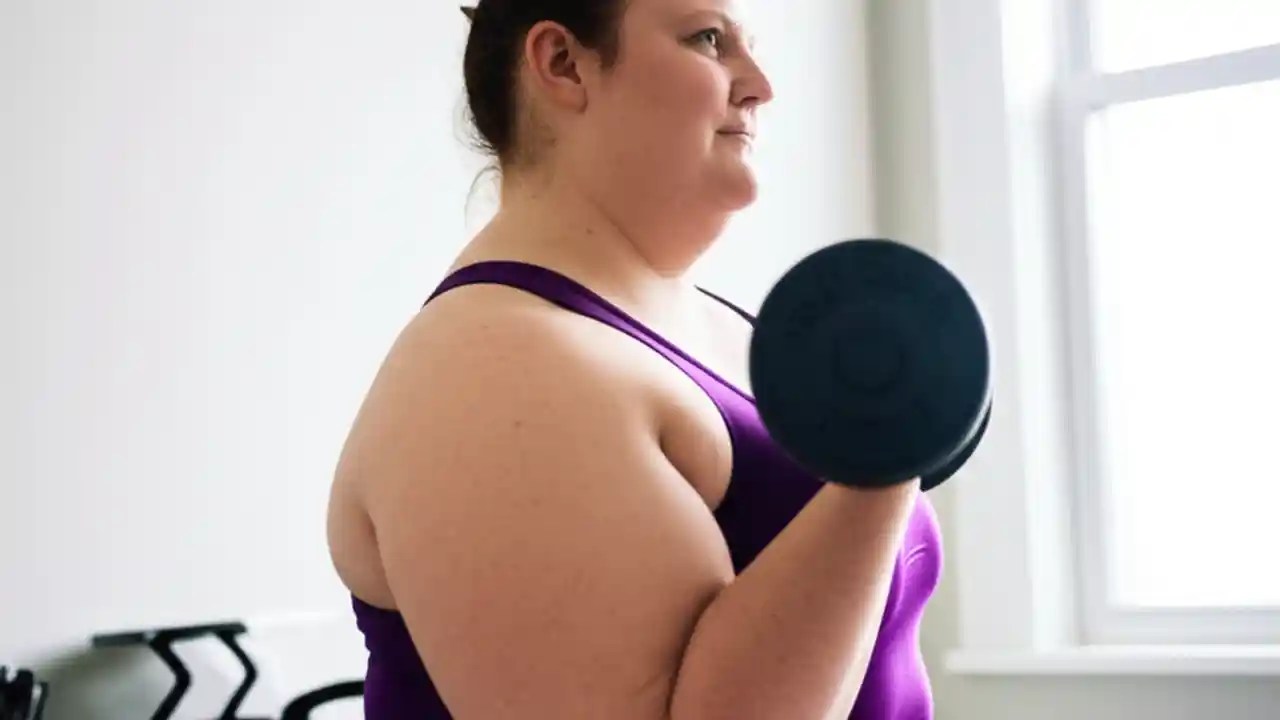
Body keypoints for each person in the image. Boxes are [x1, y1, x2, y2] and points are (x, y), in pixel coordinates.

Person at [325, 0, 943, 717]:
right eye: (708, 39)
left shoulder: (713, 327)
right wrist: (886, 453)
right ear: (563, 63)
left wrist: (889, 450)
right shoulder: (496, 371)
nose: (760, 84)